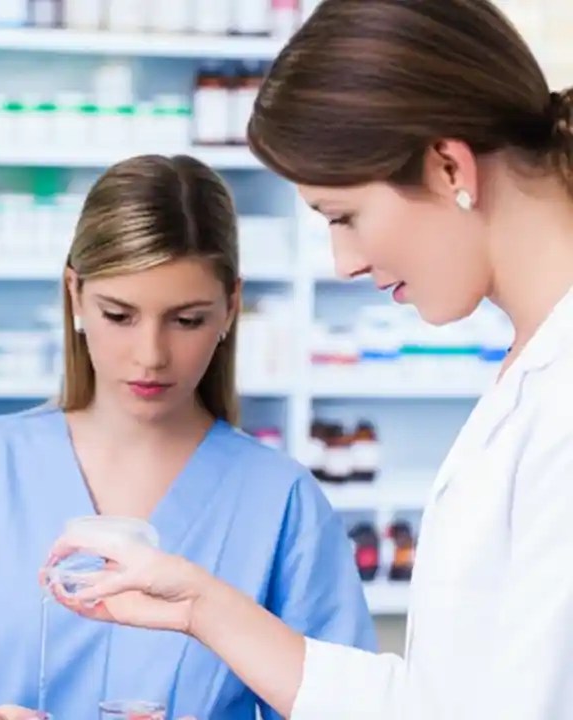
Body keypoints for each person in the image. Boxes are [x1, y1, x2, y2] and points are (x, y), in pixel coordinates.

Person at [46, 1, 573, 717]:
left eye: (343, 217)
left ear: (450, 165)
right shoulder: (535, 367)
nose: (345, 262)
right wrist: (201, 605)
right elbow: (446, 702)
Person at [0, 154, 376, 720]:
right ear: (75, 295)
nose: (151, 356)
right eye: (119, 315)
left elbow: (347, 706)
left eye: (187, 320)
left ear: (230, 308)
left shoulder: (282, 502)